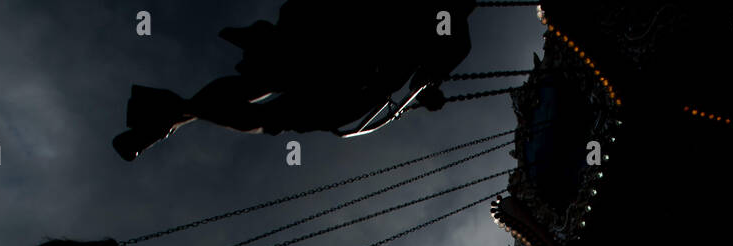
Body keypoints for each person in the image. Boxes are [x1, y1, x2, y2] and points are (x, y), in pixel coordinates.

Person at [112, 0, 475, 161]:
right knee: (268, 106)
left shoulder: (456, 33)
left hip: (343, 60)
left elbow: (426, 78)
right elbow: (425, 79)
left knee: (266, 101)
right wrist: (428, 90)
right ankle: (168, 115)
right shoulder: (456, 32)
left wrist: (428, 88)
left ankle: (169, 115)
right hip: (348, 63)